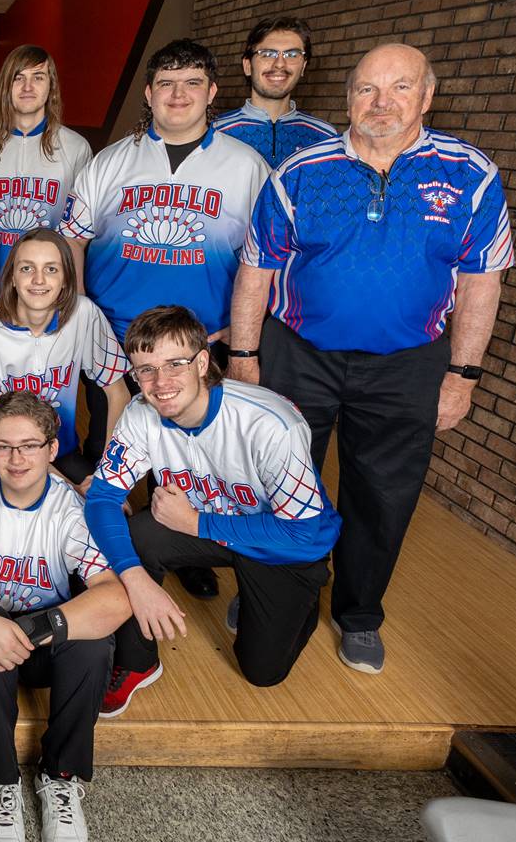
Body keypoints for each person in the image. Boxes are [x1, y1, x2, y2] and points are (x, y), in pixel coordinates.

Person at [230, 42, 511, 674]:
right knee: (275, 482)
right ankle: (271, 595)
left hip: (408, 363)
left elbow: (482, 281)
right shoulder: (302, 171)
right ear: (348, 96)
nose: (381, 103)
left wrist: (463, 376)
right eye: (367, 89)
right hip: (299, 353)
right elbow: (256, 269)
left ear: (426, 97)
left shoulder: (471, 176)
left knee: (383, 496)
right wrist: (245, 357)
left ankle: (358, 613)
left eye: (400, 88)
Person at [58, 39, 269, 600]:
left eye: (192, 83)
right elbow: (74, 240)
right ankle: (106, 544)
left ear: (213, 92)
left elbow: (266, 257)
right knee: (112, 442)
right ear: (148, 94)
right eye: (167, 84)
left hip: (202, 339)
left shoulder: (246, 166)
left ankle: (185, 546)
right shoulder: (111, 161)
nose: (179, 95)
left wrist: (239, 332)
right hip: (115, 331)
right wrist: (81, 310)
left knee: (194, 448)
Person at [84, 305, 340, 716]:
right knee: (136, 537)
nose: (160, 382)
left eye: (175, 364)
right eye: (145, 369)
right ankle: (137, 662)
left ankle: (300, 601)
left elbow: (305, 533)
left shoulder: (271, 424)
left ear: (203, 362)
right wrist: (137, 580)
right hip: (203, 527)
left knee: (262, 671)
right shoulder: (140, 415)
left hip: (280, 541)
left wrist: (196, 522)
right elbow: (101, 501)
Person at [0, 390, 131, 842]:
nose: (16, 458)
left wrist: (28, 629)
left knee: (92, 646)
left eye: (29, 445)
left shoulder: (72, 509)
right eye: (3, 446)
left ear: (51, 448)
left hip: (43, 638)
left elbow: (114, 596)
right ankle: (0, 781)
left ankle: (60, 777)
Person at [0, 229, 130, 484]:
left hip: (58, 451)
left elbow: (118, 393)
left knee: (105, 512)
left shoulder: (83, 314)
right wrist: (69, 487)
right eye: (27, 269)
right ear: (12, 278)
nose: (39, 280)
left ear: (66, 279)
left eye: (51, 269)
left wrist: (107, 476)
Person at [0, 44, 92, 286]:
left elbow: (79, 235)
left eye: (38, 77)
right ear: (5, 87)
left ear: (51, 86)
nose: (28, 87)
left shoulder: (76, 148)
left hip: (45, 289)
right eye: (18, 78)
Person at [213, 17, 336, 169]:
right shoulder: (214, 132)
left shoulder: (325, 138)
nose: (279, 64)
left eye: (291, 55)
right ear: (247, 65)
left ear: (303, 67)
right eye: (267, 54)